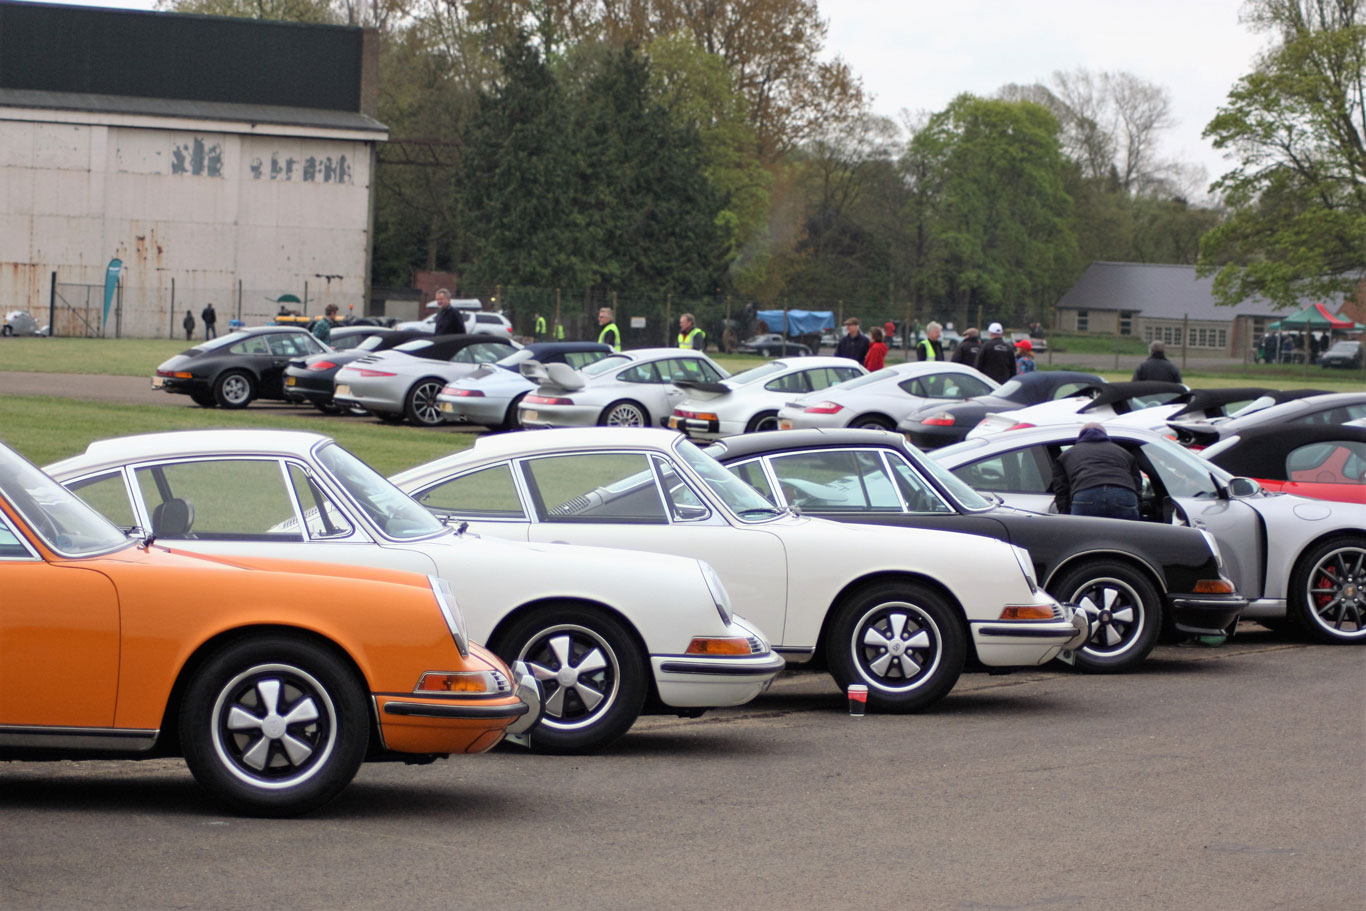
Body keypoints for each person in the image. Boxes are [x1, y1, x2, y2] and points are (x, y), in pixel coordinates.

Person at [1049, 423, 1142, 520]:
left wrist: (1066, 515)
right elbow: (1137, 483)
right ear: (1105, 434)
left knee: (1084, 530)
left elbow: (1061, 489)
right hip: (1123, 494)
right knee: (1125, 530)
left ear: (1080, 436)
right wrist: (1137, 507)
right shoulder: (1124, 453)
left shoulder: (1066, 455)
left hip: (1085, 493)